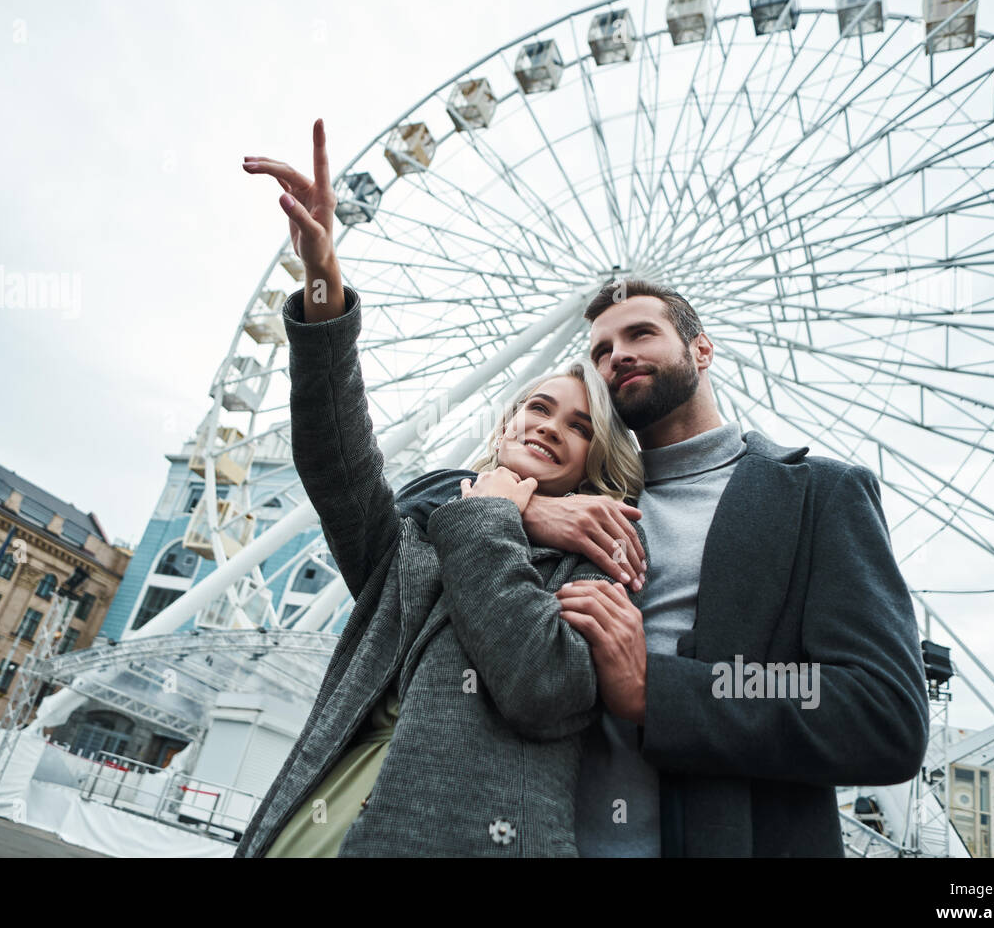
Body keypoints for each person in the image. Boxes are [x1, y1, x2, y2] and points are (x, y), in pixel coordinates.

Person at [396, 278, 931, 857]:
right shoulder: (579, 490)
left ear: (702, 350)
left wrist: (657, 693)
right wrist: (533, 508)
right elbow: (409, 508)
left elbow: (883, 712)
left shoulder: (818, 495)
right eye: (600, 350)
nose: (616, 355)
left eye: (641, 334)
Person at [234, 119, 649, 857]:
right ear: (506, 421)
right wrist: (323, 277)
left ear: (597, 458)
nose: (552, 426)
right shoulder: (418, 534)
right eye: (539, 406)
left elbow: (542, 685)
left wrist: (494, 514)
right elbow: (337, 461)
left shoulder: (599, 551)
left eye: (580, 425)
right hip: (329, 807)